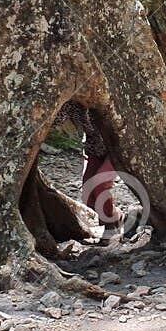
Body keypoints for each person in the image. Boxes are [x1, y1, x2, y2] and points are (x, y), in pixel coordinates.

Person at [55, 100, 122, 241]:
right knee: (87, 193)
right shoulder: (71, 103)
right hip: (94, 148)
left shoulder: (104, 95)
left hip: (117, 149)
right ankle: (116, 216)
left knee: (100, 184)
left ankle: (110, 228)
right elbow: (55, 120)